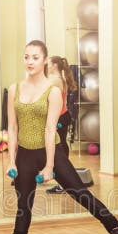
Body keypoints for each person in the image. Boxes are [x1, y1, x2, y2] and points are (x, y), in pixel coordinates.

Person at [0, 40, 118, 234]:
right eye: (26, 56)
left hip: (51, 151)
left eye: (35, 57)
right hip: (25, 153)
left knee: (79, 193)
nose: (30, 61)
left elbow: (49, 129)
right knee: (23, 205)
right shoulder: (15, 89)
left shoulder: (53, 91)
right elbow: (13, 128)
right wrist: (11, 160)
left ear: (45, 60)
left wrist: (48, 166)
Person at [44, 55, 78, 194]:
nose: (47, 65)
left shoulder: (55, 81)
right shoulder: (60, 79)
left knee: (60, 149)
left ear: (55, 66)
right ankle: (65, 181)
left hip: (60, 118)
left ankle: (65, 182)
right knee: (61, 147)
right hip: (62, 116)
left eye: (49, 63)